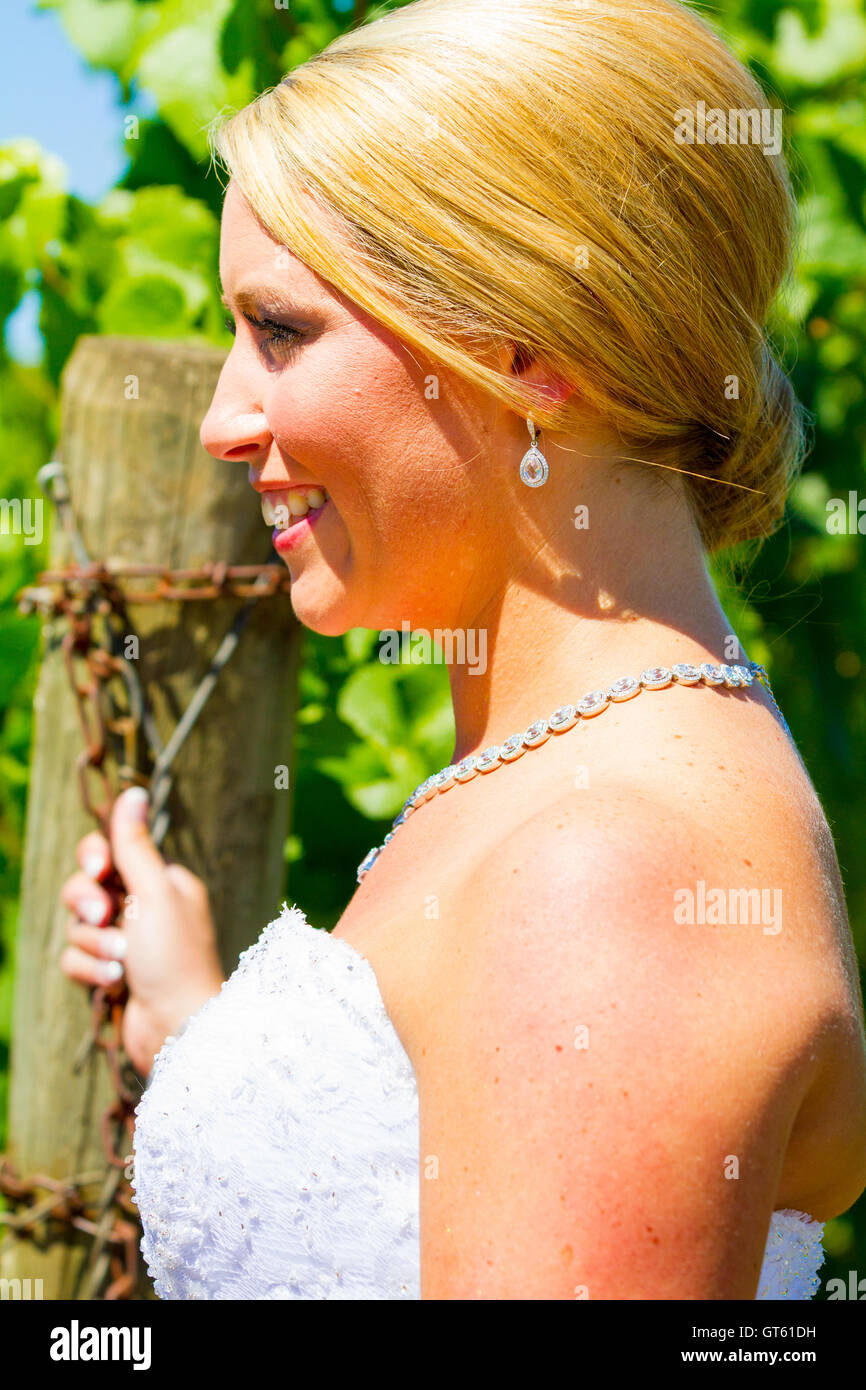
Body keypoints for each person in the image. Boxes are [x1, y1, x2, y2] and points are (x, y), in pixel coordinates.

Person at [58, 0, 866, 1299]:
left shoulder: (611, 873)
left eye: (280, 332)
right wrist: (215, 1038)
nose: (220, 414)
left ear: (530, 353)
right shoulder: (588, 771)